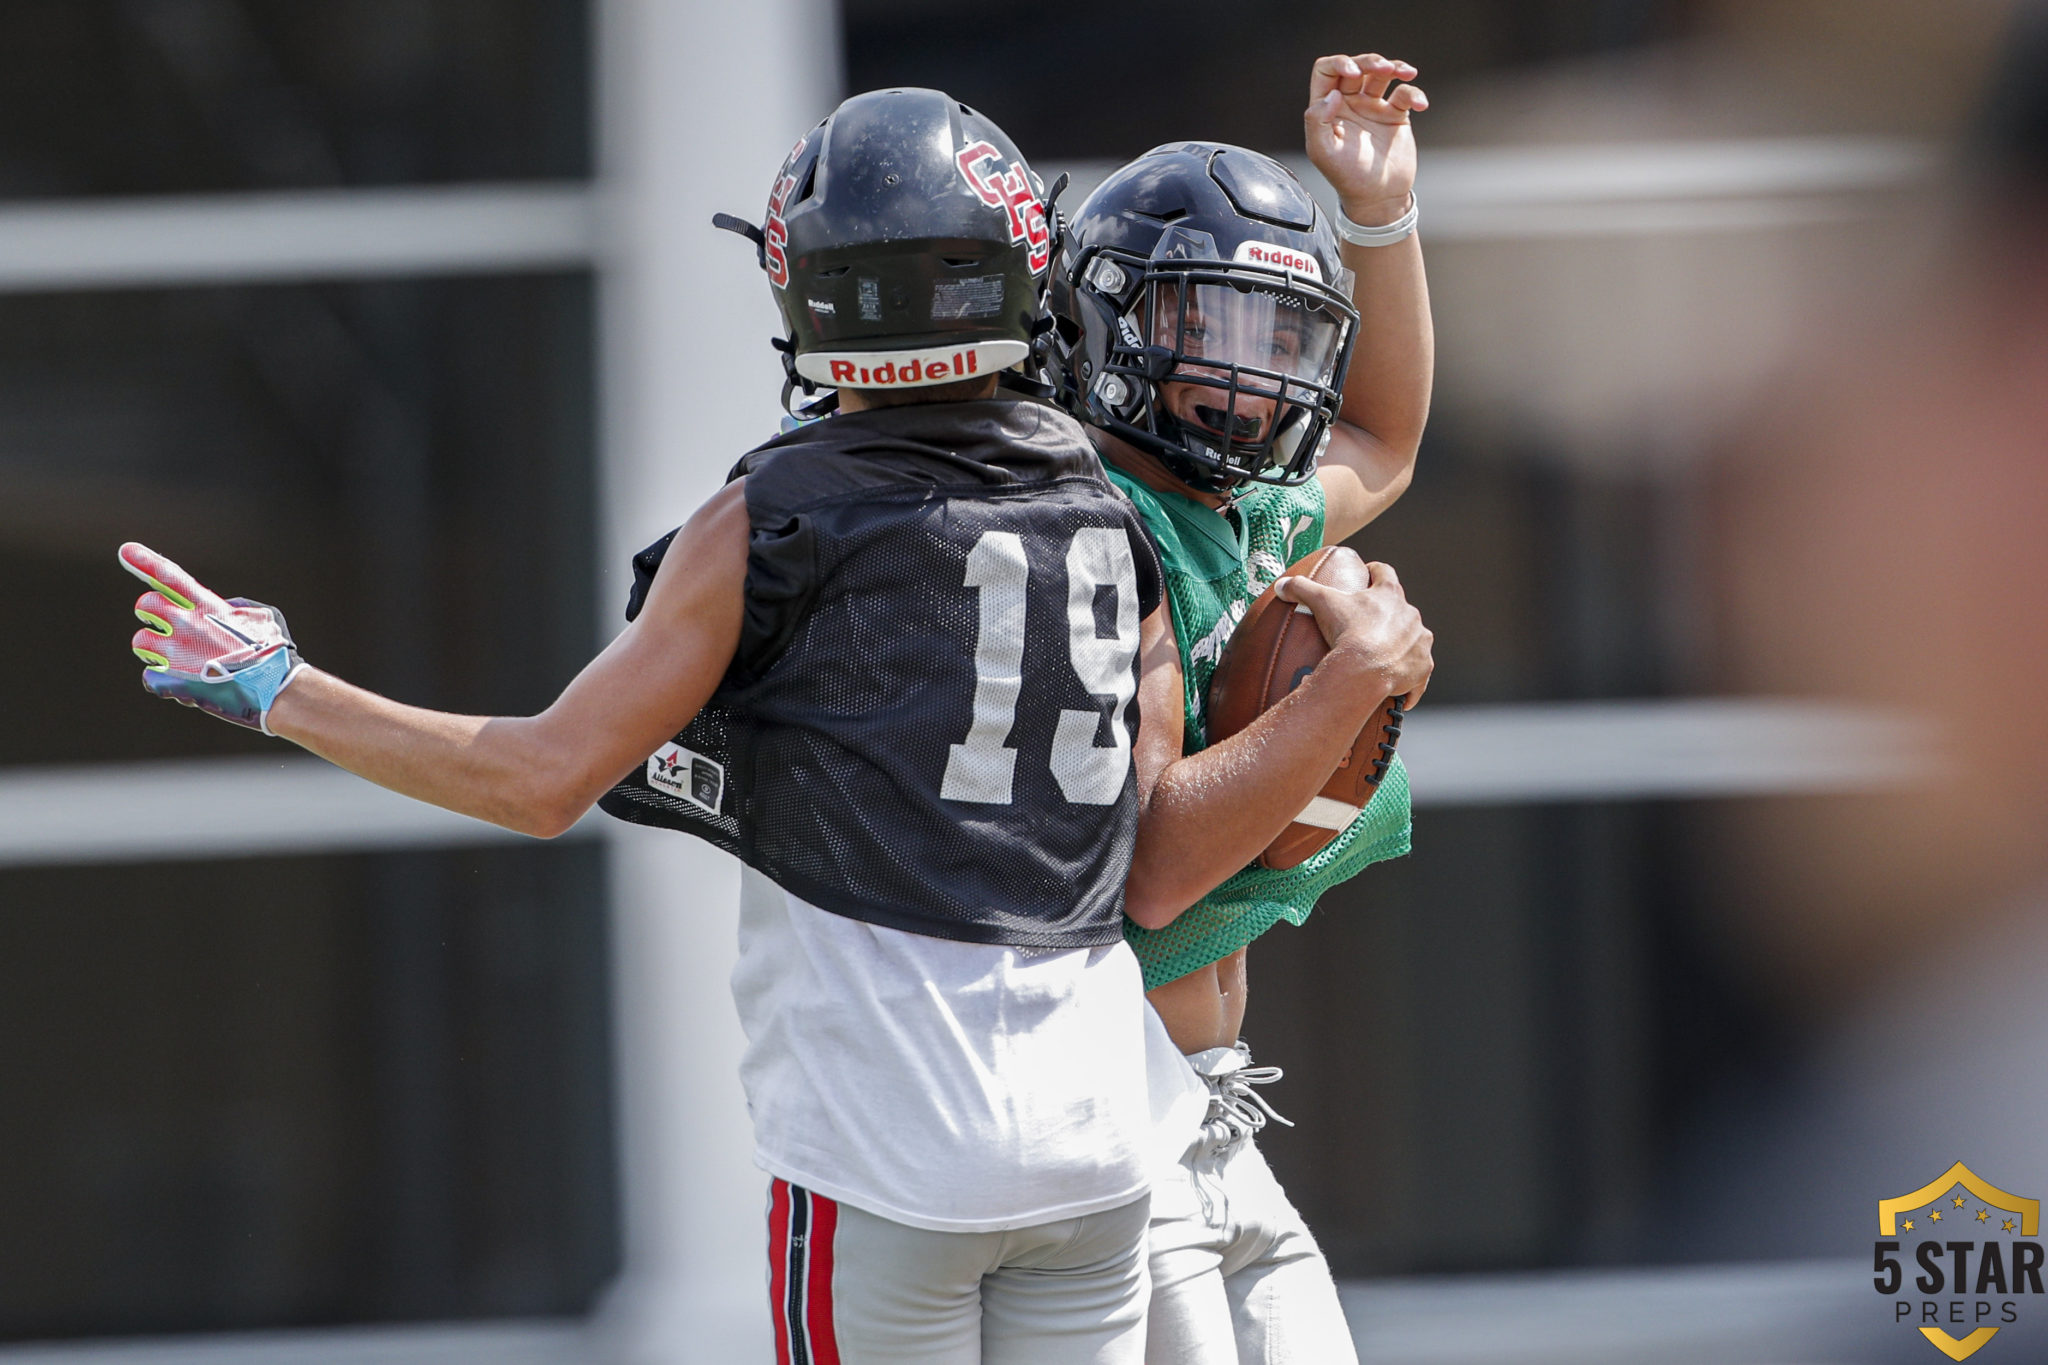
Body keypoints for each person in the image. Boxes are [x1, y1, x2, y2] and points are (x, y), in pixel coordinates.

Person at [123, 88, 1181, 1365]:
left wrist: (280, 687)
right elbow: (1154, 839)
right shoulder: (1113, 512)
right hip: (1097, 1135)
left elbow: (541, 780)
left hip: (896, 1139)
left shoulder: (771, 517)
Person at [1046, 52, 1436, 1364]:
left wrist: (1377, 214)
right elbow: (1155, 873)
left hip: (1214, 1105)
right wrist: (1350, 680)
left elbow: (1381, 440)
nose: (1257, 374)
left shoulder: (1239, 511)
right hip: (1112, 1119)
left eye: (1283, 339)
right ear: (1112, 321)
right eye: (1213, 327)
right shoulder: (1100, 527)